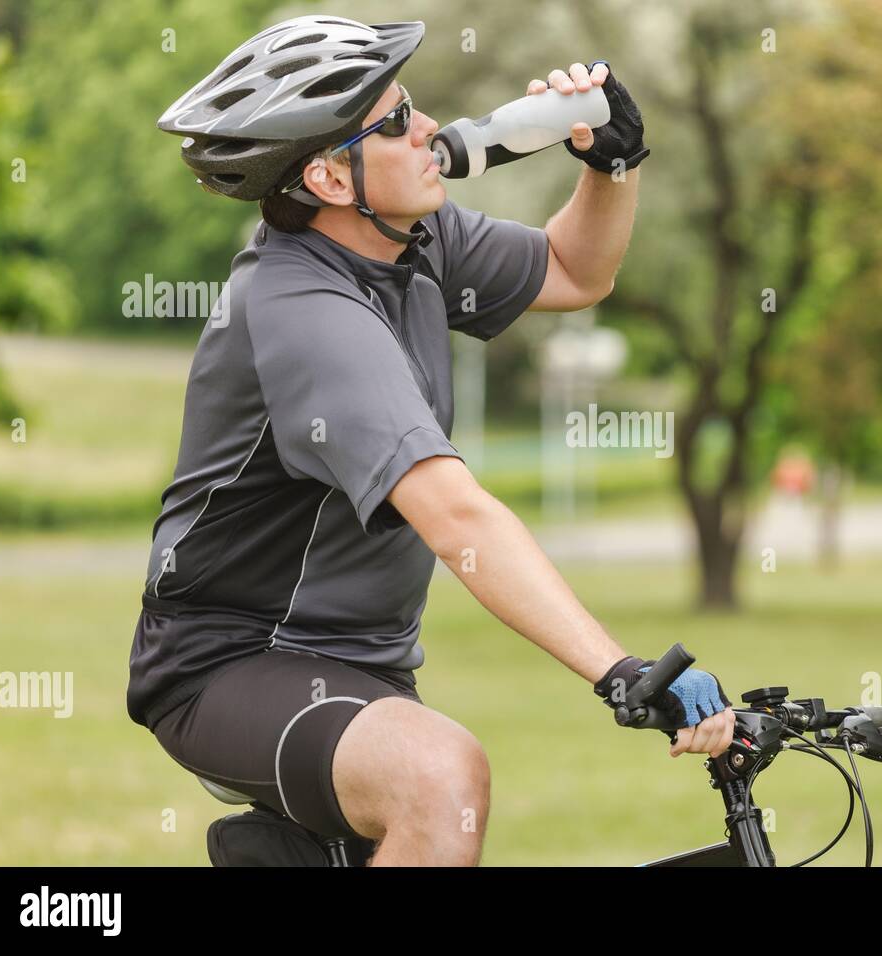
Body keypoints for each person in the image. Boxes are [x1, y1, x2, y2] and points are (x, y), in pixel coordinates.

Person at [125, 15, 734, 866]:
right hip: (232, 665)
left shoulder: (412, 238)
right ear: (332, 178)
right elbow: (457, 516)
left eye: (412, 107)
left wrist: (611, 163)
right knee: (441, 778)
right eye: (395, 122)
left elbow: (574, 271)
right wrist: (619, 669)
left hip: (365, 669)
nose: (428, 130)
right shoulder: (304, 310)